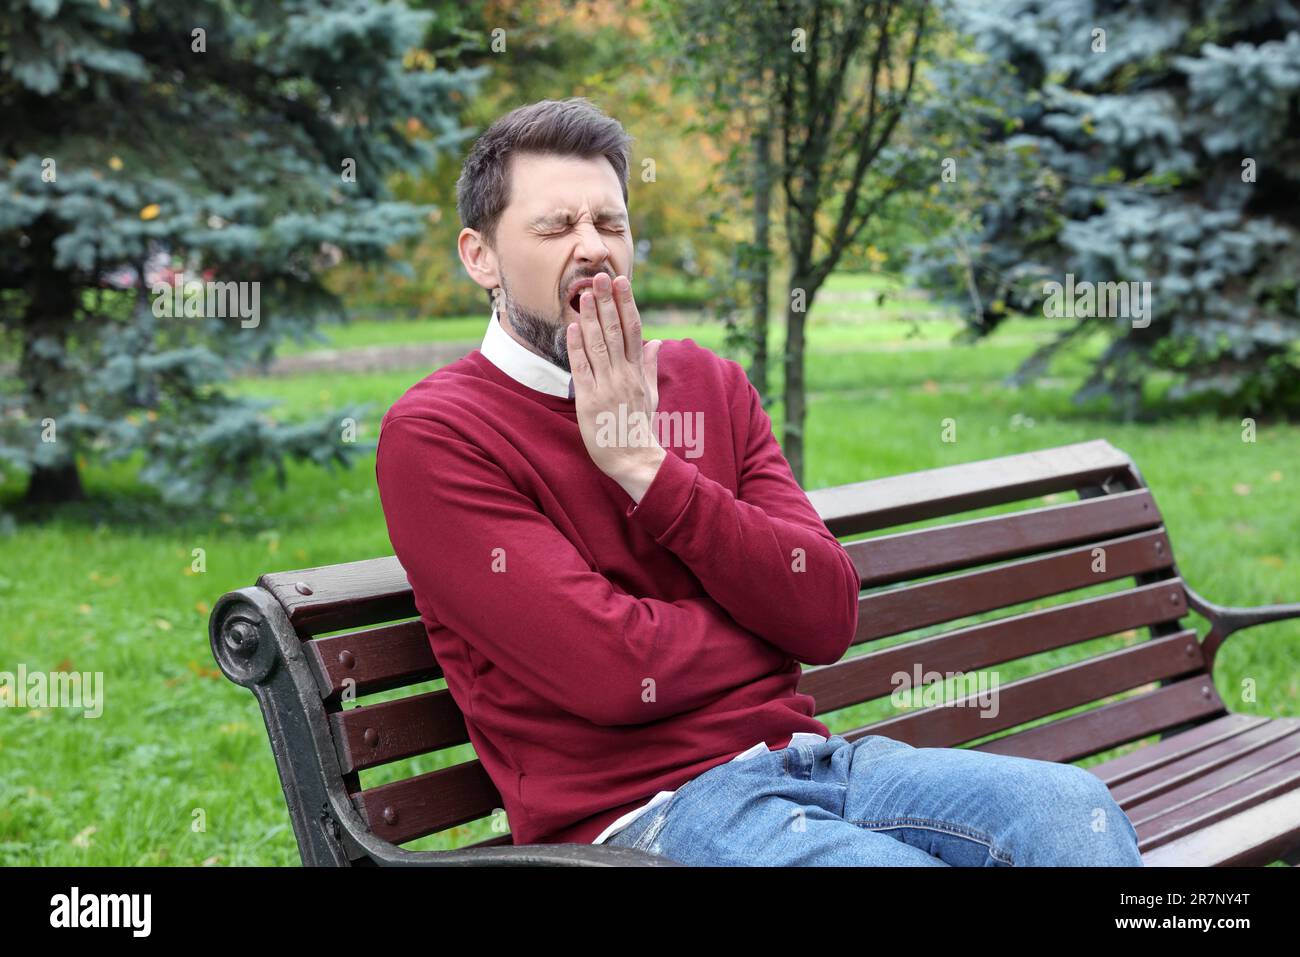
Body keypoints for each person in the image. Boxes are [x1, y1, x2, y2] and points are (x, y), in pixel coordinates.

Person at [374, 97, 1144, 866]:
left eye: (610, 223)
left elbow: (826, 611)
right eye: (555, 226)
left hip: (815, 764)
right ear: (480, 256)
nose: (593, 248)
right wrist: (761, 629)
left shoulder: (705, 380)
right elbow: (615, 671)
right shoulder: (440, 434)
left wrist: (644, 465)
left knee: (1073, 809)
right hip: (646, 821)